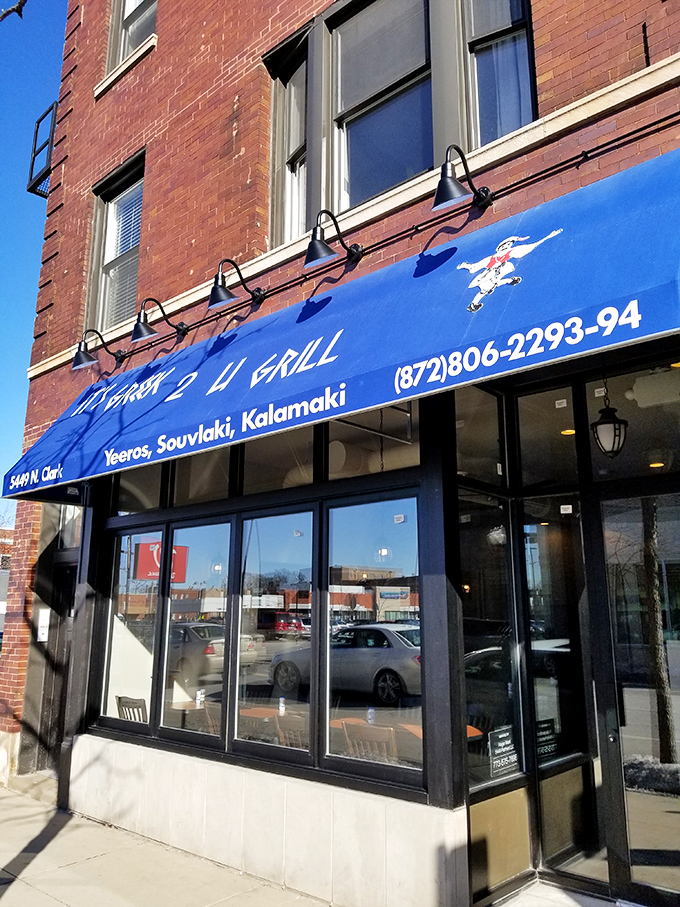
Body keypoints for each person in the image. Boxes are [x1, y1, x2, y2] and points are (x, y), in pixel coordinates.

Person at [457, 229, 563, 312]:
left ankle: (509, 281)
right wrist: (467, 266)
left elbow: (531, 246)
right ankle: (474, 303)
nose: (509, 246)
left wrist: (548, 236)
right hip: (489, 274)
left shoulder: (508, 253)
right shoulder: (492, 258)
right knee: (487, 286)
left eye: (510, 245)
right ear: (501, 247)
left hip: (496, 272)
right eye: (507, 245)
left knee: (493, 283)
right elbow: (476, 267)